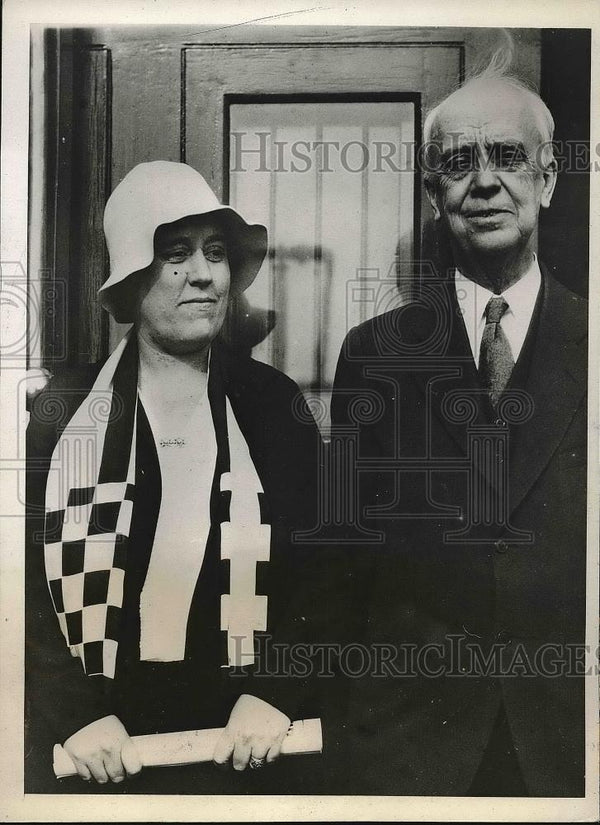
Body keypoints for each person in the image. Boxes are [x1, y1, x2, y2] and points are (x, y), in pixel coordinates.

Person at [26, 161, 322, 793]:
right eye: (176, 253)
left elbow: (326, 572)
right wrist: (76, 714)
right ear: (133, 279)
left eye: (216, 253)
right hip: (96, 751)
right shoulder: (64, 411)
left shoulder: (273, 405)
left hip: (248, 744)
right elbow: (16, 583)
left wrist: (274, 693)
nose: (204, 275)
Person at [331, 68, 588, 796]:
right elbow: (347, 560)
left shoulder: (595, 344)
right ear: (433, 194)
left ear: (548, 178)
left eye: (506, 158)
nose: (483, 182)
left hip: (570, 745)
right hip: (414, 747)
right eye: (457, 163)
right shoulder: (372, 355)